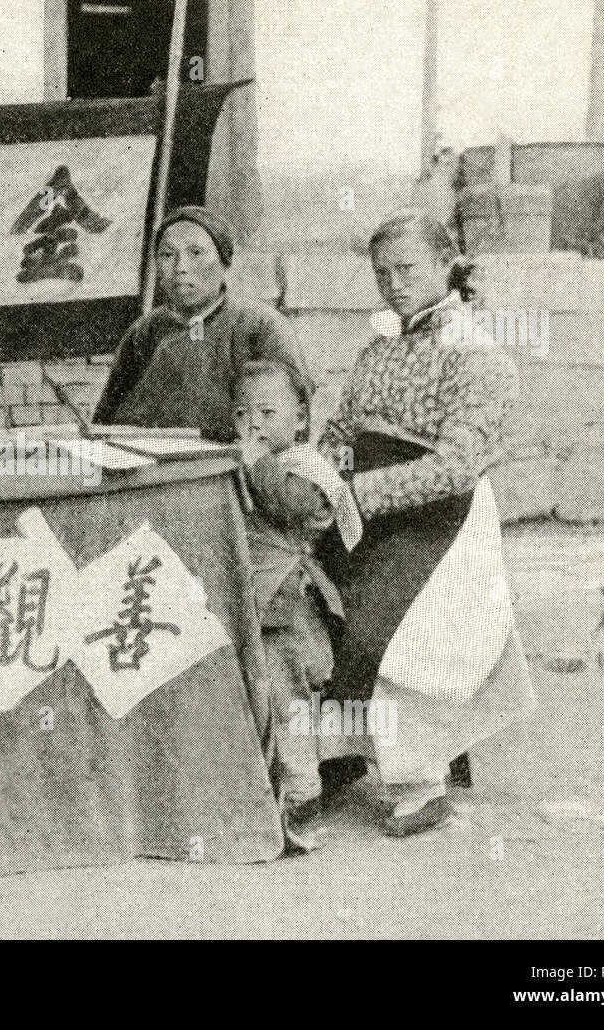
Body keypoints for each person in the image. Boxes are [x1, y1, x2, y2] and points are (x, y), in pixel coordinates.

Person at [315, 209, 537, 836]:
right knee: (321, 606)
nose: (393, 283)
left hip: (443, 519)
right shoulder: (379, 346)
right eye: (382, 273)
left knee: (391, 633)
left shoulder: (479, 353)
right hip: (364, 508)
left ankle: (421, 778)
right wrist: (322, 476)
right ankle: (343, 755)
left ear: (445, 265)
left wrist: (359, 493)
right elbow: (340, 430)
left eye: (407, 269)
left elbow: (458, 466)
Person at [234, 359, 361, 853]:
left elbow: (293, 507)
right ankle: (272, 793)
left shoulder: (307, 470)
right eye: (243, 413)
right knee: (263, 701)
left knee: (289, 705)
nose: (255, 425)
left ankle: (303, 801)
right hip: (262, 602)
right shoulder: (259, 460)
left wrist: (256, 462)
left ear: (302, 419)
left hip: (288, 609)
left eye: (267, 412)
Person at [92, 206, 314, 442]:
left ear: (224, 262)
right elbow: (104, 422)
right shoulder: (145, 331)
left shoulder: (261, 326)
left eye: (196, 253)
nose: (180, 268)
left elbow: (291, 429)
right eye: (167, 255)